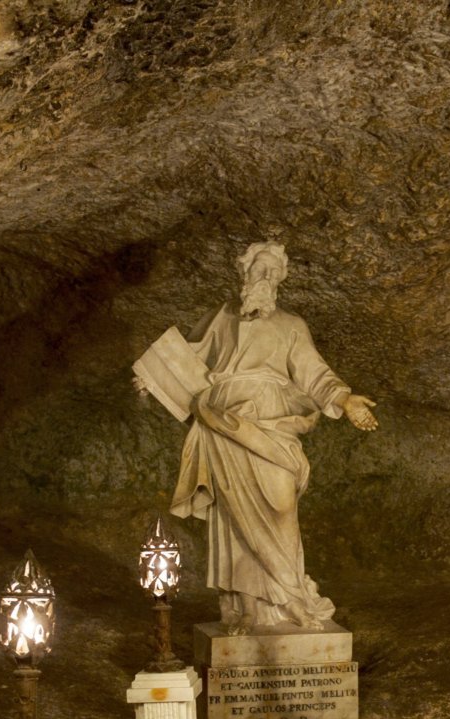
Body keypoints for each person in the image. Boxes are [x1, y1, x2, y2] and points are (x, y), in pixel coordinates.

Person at [137, 242, 377, 635]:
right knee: (235, 519)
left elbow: (314, 373)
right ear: (244, 275)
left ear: (279, 281)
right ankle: (247, 608)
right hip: (224, 423)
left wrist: (344, 399)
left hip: (271, 423)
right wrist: (151, 378)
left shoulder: (291, 326)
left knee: (282, 506)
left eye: (271, 272)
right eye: (257, 270)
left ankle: (292, 596)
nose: (263, 278)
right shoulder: (221, 319)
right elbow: (186, 360)